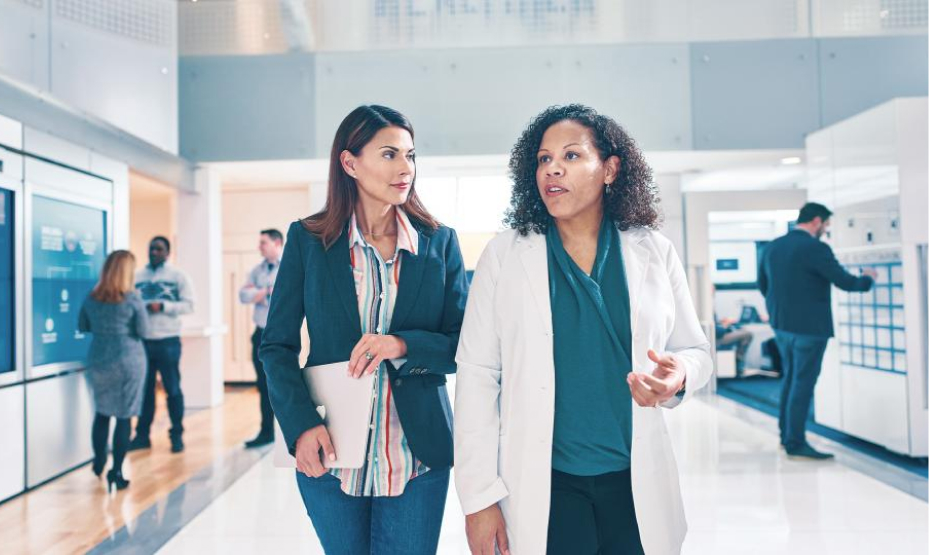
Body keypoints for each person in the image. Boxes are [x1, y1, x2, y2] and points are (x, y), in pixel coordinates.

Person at [454, 104, 712, 555]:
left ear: (610, 169)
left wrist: (678, 375)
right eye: (543, 159)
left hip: (634, 481)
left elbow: (694, 349)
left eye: (571, 156)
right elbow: (476, 376)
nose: (553, 168)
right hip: (546, 483)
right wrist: (479, 500)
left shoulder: (653, 250)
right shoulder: (506, 255)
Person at [260, 105, 468, 554]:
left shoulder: (439, 243)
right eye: (390, 154)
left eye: (410, 156)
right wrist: (299, 427)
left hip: (416, 459)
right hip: (330, 451)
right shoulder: (309, 241)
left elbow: (462, 345)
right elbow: (276, 345)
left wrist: (400, 344)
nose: (405, 168)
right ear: (350, 163)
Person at [759, 202, 876, 460]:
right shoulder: (816, 248)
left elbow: (763, 285)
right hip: (809, 330)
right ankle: (796, 442)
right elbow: (847, 282)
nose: (825, 230)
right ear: (816, 222)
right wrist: (868, 278)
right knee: (803, 384)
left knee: (790, 380)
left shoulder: (772, 247)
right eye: (826, 225)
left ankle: (786, 436)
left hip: (782, 327)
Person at [78, 250, 149, 492]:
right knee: (124, 415)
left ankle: (99, 460)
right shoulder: (132, 299)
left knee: (102, 412)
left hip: (99, 359)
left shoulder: (91, 297)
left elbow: (82, 325)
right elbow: (144, 331)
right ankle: (117, 472)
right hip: (129, 360)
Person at [130, 236, 195, 454]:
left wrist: (164, 306)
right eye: (151, 249)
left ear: (168, 253)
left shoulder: (178, 276)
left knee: (172, 389)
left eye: (158, 249)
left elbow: (189, 305)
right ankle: (142, 436)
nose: (154, 252)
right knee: (145, 391)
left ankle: (177, 435)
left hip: (168, 341)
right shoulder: (137, 276)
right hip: (144, 341)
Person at [239, 228, 284, 448]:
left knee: (284, 384)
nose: (260, 247)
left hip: (282, 335)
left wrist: (260, 292)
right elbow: (243, 295)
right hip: (260, 334)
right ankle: (266, 432)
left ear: (277, 243)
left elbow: (284, 296)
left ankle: (288, 432)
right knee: (263, 385)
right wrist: (266, 291)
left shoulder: (288, 267)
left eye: (263, 243)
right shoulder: (257, 270)